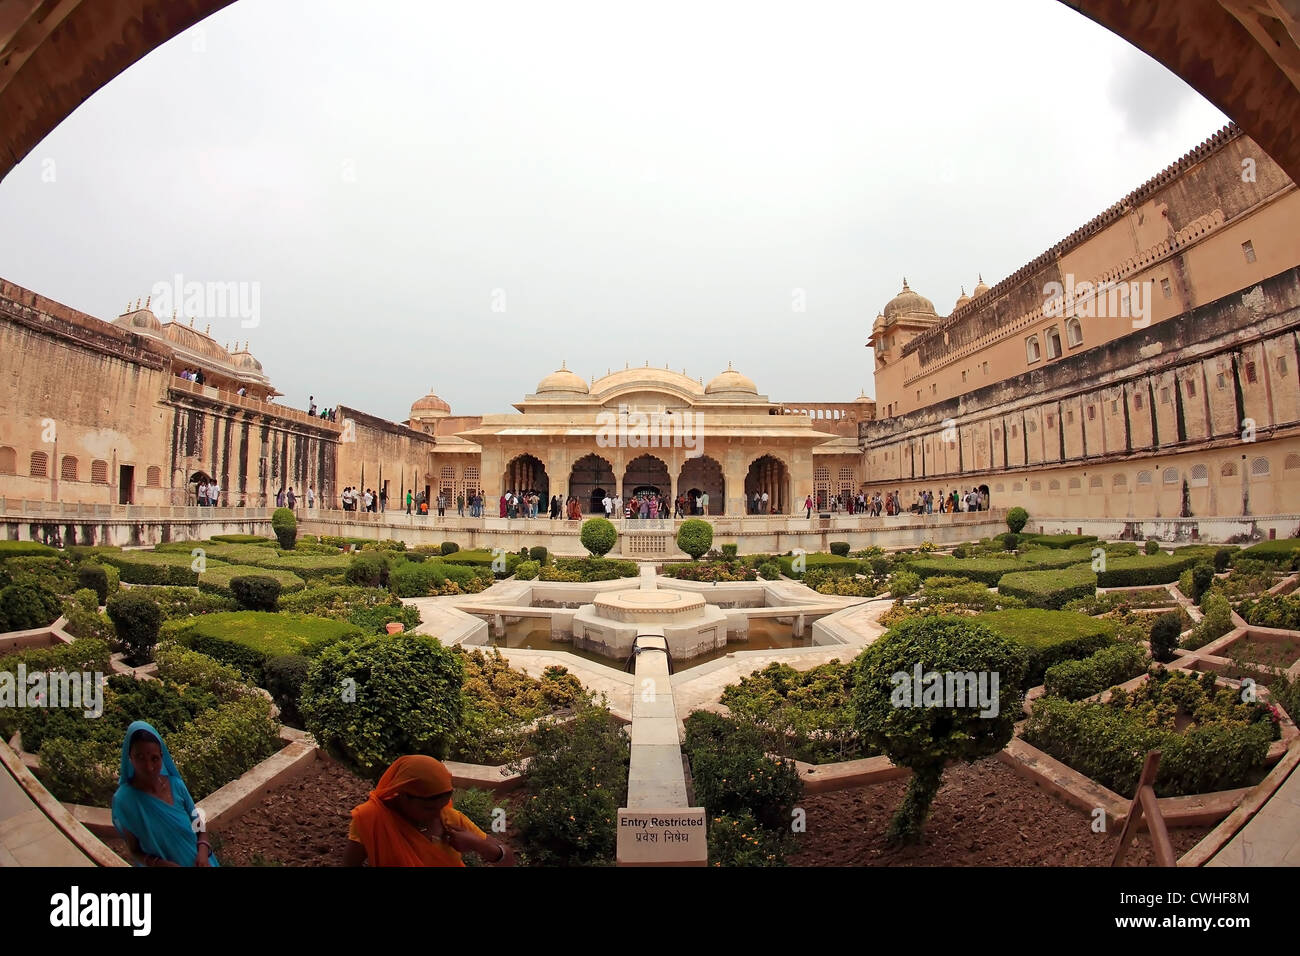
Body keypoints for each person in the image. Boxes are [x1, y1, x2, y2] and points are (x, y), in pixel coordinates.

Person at [343, 755, 512, 867]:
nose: (438, 814)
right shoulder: (370, 818)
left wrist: (478, 844)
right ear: (403, 795)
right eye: (429, 808)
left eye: (443, 805)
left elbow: (508, 859)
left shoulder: (450, 820)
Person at [113, 721, 216, 867]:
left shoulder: (176, 786)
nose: (149, 767)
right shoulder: (124, 800)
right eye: (140, 758)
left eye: (154, 758)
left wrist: (203, 852)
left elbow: (198, 824)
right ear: (130, 758)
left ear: (162, 756)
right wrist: (157, 864)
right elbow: (134, 850)